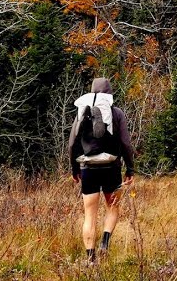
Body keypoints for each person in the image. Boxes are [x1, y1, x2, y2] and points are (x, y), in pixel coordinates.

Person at [66, 77, 136, 264]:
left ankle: (91, 259)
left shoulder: (82, 112)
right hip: (111, 168)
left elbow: (72, 143)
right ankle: (105, 242)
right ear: (109, 93)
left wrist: (74, 168)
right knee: (112, 206)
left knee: (89, 215)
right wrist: (130, 168)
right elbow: (125, 143)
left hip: (88, 168)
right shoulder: (117, 113)